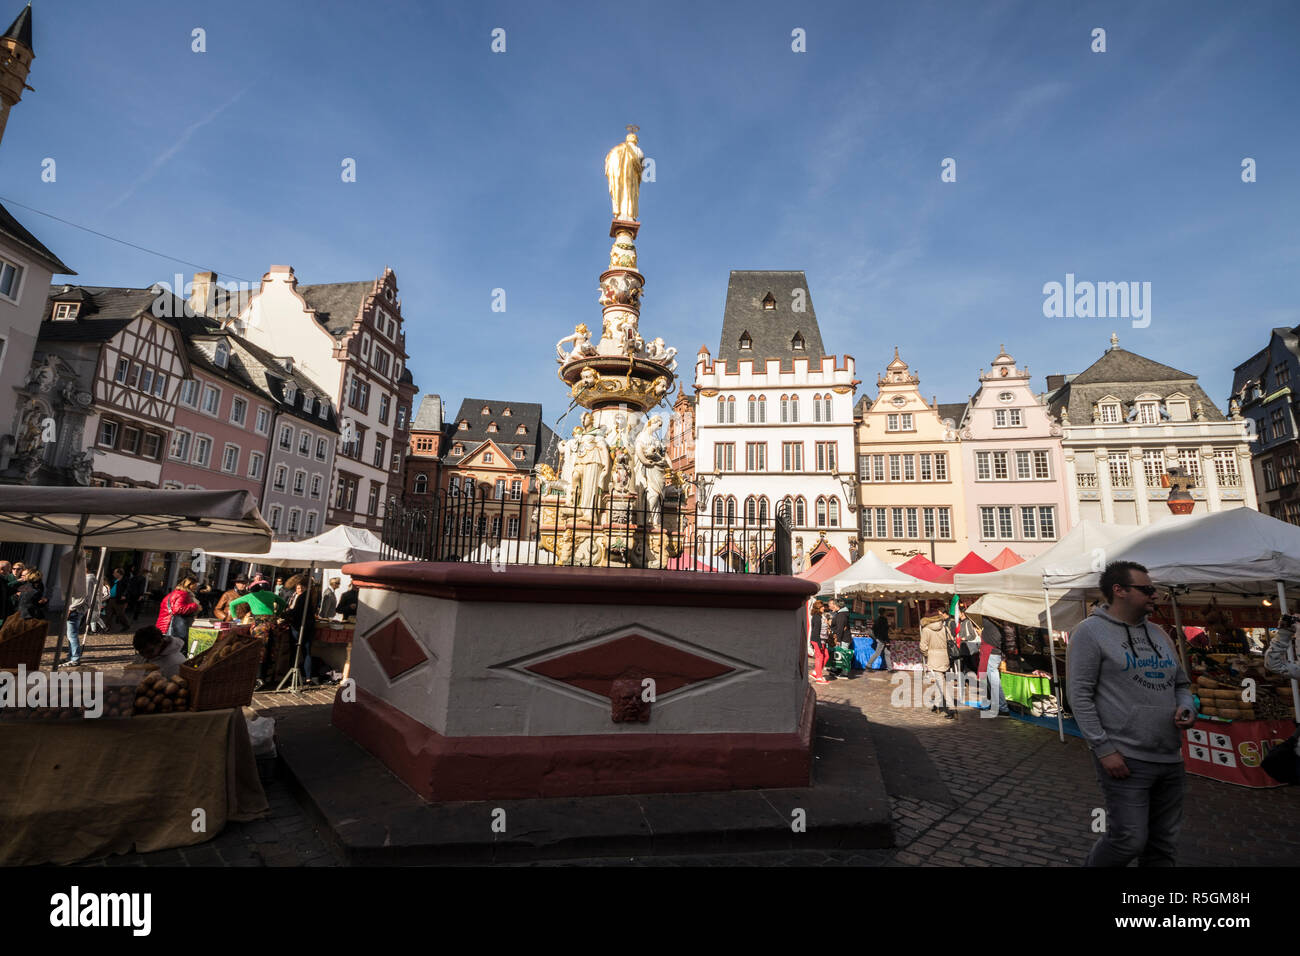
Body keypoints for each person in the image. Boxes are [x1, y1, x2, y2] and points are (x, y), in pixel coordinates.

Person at [1068, 561, 1195, 868]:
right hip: (1125, 758)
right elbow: (1079, 696)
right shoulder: (1089, 633)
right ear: (1119, 591)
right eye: (1147, 589)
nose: (1155, 595)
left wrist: (1187, 706)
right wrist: (1104, 749)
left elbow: (1181, 683)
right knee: (1128, 840)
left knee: (1163, 844)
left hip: (1170, 756)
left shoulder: (1160, 634)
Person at [59, 549, 97, 667]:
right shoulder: (88, 578)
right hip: (77, 608)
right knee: (71, 634)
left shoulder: (87, 579)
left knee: (72, 634)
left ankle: (74, 657)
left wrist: (71, 608)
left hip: (76, 609)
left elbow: (82, 596)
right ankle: (72, 656)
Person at [920, 608, 956, 719]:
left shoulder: (926, 630)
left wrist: (927, 654)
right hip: (945, 657)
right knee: (939, 681)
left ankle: (952, 708)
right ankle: (937, 705)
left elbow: (923, 647)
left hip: (933, 658)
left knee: (941, 683)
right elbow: (951, 640)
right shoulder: (944, 628)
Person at [156, 576, 201, 643]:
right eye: (195, 585)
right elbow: (178, 609)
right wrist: (195, 606)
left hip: (164, 625)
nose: (196, 587)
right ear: (189, 584)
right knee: (177, 647)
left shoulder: (173, 593)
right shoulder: (183, 594)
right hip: (172, 626)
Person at [808, 600, 830, 684]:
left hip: (822, 640)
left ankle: (816, 672)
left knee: (826, 656)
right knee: (819, 657)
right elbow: (815, 631)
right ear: (818, 608)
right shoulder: (816, 617)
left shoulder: (821, 616)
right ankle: (819, 678)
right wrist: (819, 643)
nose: (824, 608)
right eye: (822, 607)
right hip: (817, 640)